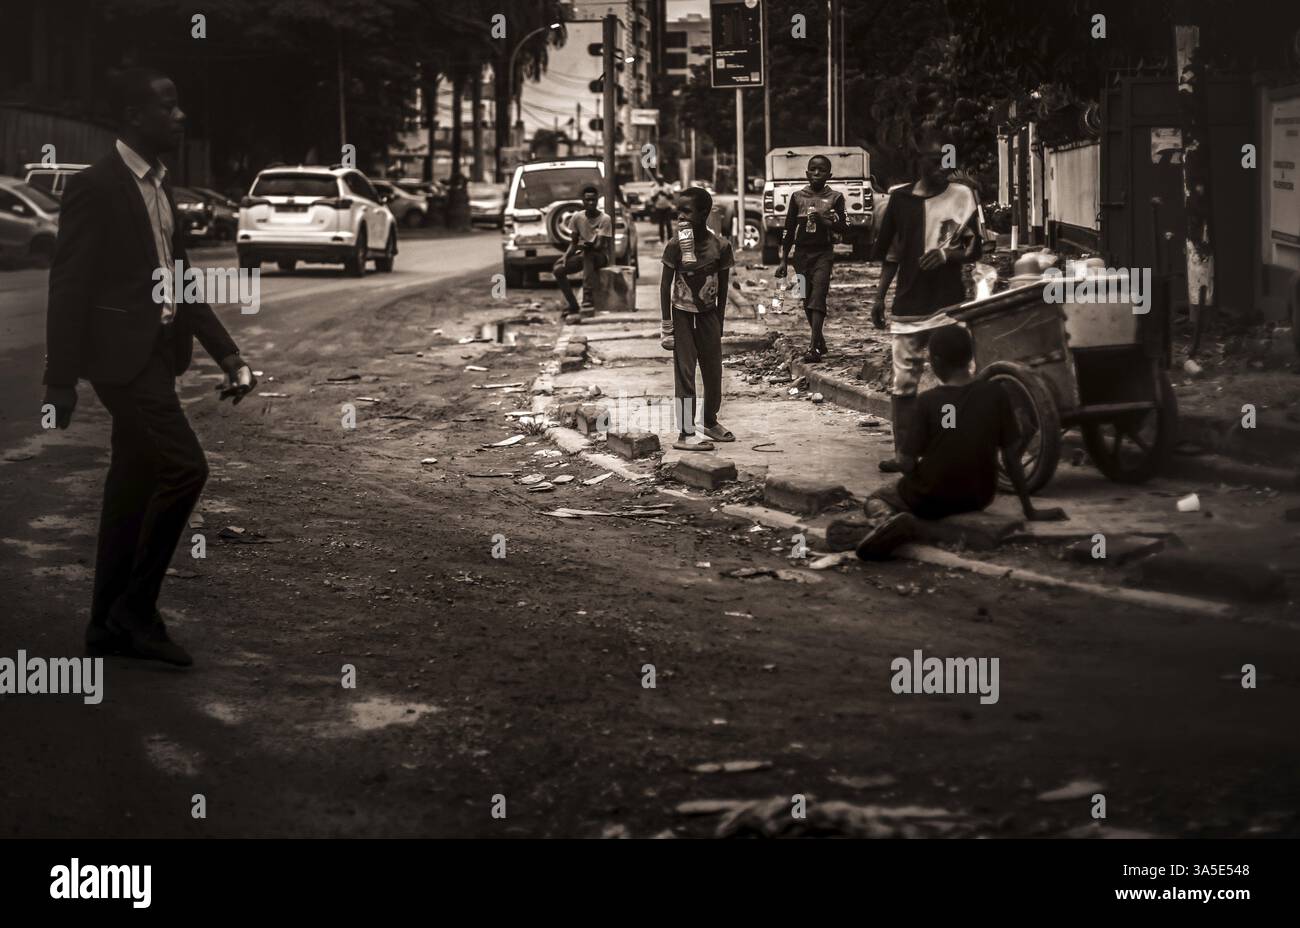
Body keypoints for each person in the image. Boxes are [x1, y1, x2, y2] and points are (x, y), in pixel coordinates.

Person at [42, 67, 257, 666]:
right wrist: (59, 380)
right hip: (121, 363)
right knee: (185, 469)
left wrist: (229, 354)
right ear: (136, 117)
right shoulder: (96, 186)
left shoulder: (162, 188)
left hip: (157, 358)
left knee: (133, 483)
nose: (181, 116)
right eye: (169, 106)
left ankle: (105, 626)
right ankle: (135, 611)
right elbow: (68, 286)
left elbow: (183, 280)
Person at [826, 325, 1067, 559]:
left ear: (937, 362)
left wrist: (900, 464)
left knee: (877, 499)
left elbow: (907, 463)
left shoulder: (928, 401)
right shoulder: (996, 394)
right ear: (970, 356)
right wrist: (1029, 509)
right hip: (979, 495)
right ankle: (902, 527)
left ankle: (894, 524)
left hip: (931, 497)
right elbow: (1013, 458)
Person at [870, 125, 983, 472]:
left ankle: (949, 449)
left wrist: (948, 256)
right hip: (907, 304)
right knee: (903, 383)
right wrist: (879, 298)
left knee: (952, 378)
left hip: (949, 304)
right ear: (918, 160)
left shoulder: (963, 196)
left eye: (947, 160)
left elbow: (976, 245)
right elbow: (892, 252)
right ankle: (904, 453)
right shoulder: (899, 200)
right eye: (935, 160)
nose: (942, 167)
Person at [659, 186, 734, 450]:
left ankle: (709, 421)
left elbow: (723, 288)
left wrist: (720, 322)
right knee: (685, 373)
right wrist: (667, 327)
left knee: (714, 371)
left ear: (704, 213)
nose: (681, 216)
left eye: (687, 211)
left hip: (708, 315)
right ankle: (685, 433)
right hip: (681, 315)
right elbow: (665, 285)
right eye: (678, 210)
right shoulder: (676, 245)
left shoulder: (720, 246)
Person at [775, 154, 847, 363]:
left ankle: (813, 347)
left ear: (829, 175)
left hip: (823, 254)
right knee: (805, 297)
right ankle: (819, 340)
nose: (817, 173)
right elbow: (788, 229)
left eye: (821, 170)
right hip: (800, 256)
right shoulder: (798, 197)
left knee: (818, 296)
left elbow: (845, 226)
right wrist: (783, 260)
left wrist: (825, 221)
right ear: (806, 173)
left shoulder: (835, 198)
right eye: (813, 169)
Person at [553, 185, 611, 316]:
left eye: (593, 200)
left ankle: (587, 297)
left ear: (597, 200)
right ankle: (573, 305)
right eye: (587, 200)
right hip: (583, 254)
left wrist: (586, 246)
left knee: (589, 254)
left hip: (600, 256)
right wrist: (566, 256)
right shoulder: (577, 217)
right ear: (583, 201)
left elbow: (599, 245)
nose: (590, 203)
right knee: (558, 269)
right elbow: (573, 243)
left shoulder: (605, 219)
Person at [651, 178, 675, 244]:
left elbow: (672, 197)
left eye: (661, 180)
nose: (660, 181)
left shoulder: (668, 186)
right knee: (661, 224)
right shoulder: (655, 188)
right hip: (659, 207)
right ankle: (662, 239)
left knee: (668, 223)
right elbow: (652, 199)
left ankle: (670, 239)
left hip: (667, 207)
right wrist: (657, 194)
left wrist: (664, 193)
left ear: (663, 180)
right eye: (659, 180)